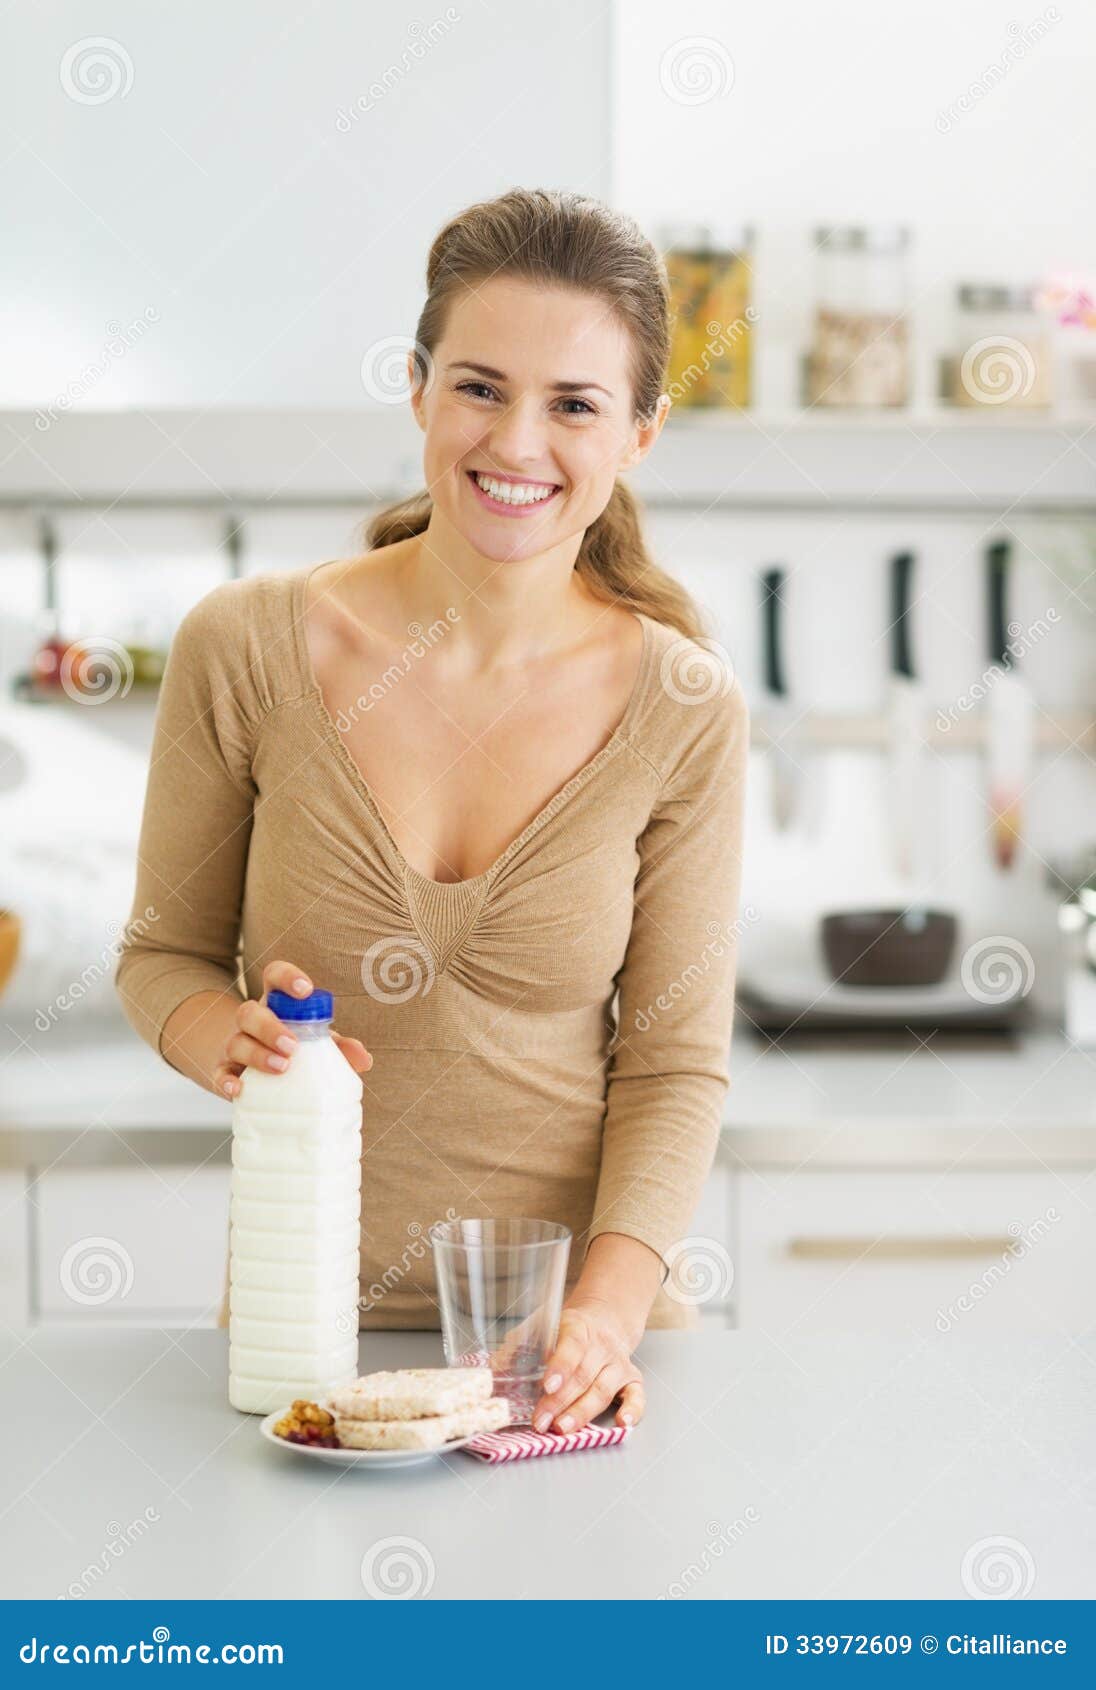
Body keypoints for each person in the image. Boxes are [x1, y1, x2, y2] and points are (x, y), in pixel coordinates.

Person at [116, 186, 749, 1436]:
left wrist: (601, 1319)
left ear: (639, 432)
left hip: (561, 1364)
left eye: (574, 403)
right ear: (416, 389)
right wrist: (220, 1036)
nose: (517, 443)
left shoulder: (684, 706)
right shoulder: (244, 647)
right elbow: (161, 959)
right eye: (478, 386)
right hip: (310, 1346)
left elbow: (673, 1064)